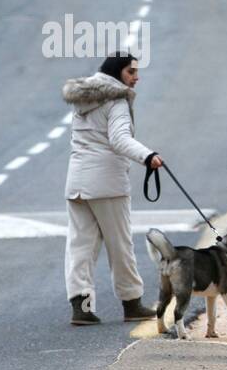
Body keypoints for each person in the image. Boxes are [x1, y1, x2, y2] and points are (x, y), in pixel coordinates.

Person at [61, 52, 163, 326]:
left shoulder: (83, 98)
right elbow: (119, 139)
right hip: (107, 184)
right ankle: (132, 303)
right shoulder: (117, 99)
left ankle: (81, 308)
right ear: (117, 72)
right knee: (120, 246)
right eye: (131, 72)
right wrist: (147, 156)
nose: (136, 77)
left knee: (80, 246)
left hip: (77, 183)